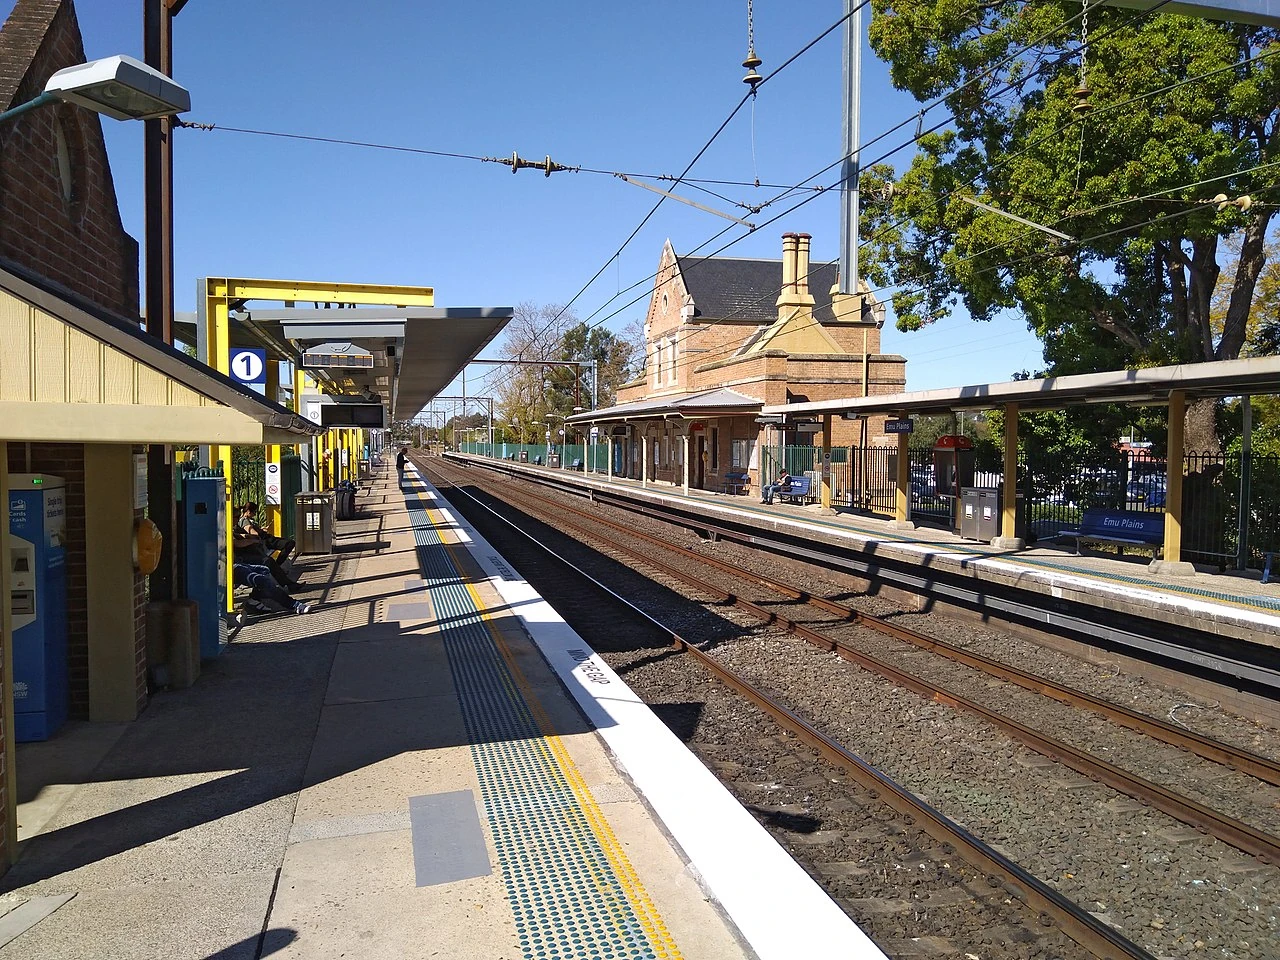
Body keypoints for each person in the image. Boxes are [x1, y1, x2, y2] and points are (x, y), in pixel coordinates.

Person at [234, 563, 313, 615]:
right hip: (229, 567)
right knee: (263, 581)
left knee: (265, 570)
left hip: (234, 563)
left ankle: (254, 600)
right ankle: (294, 605)